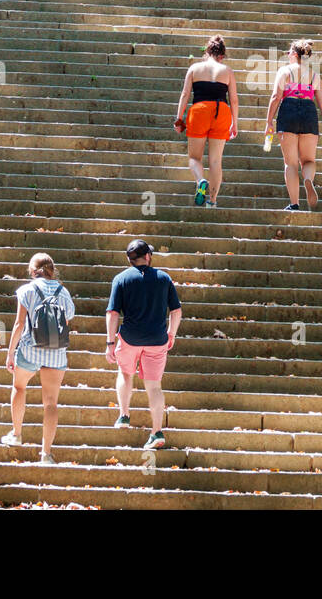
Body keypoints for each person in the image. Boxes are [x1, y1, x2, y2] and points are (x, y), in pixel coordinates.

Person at [106, 239, 182, 450]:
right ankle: (156, 431)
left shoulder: (121, 279)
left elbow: (112, 313)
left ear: (128, 259)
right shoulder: (163, 278)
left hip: (129, 337)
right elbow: (176, 310)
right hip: (157, 339)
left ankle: (124, 415)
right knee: (154, 386)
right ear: (148, 256)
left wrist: (110, 342)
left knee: (124, 373)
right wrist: (171, 334)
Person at [2, 252, 75, 464]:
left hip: (29, 349)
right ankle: (46, 454)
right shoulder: (64, 292)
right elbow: (67, 323)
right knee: (51, 403)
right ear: (53, 270)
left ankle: (16, 434)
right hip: (56, 352)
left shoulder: (27, 290)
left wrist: (10, 352)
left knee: (19, 387)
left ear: (33, 271)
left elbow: (19, 324)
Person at [264, 39, 322, 211]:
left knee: (291, 164)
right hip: (309, 113)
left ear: (295, 54)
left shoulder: (285, 71)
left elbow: (275, 97)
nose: (287, 55)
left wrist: (269, 122)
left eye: (289, 52)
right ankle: (308, 179)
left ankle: (294, 204)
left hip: (288, 111)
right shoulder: (314, 76)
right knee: (309, 160)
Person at [173, 35, 239, 208]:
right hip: (221, 111)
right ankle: (212, 201)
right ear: (222, 55)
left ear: (207, 51)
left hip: (200, 110)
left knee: (194, 157)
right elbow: (234, 100)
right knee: (216, 161)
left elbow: (185, 95)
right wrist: (235, 123)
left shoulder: (195, 68)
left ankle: (201, 180)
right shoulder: (227, 71)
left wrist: (179, 119)